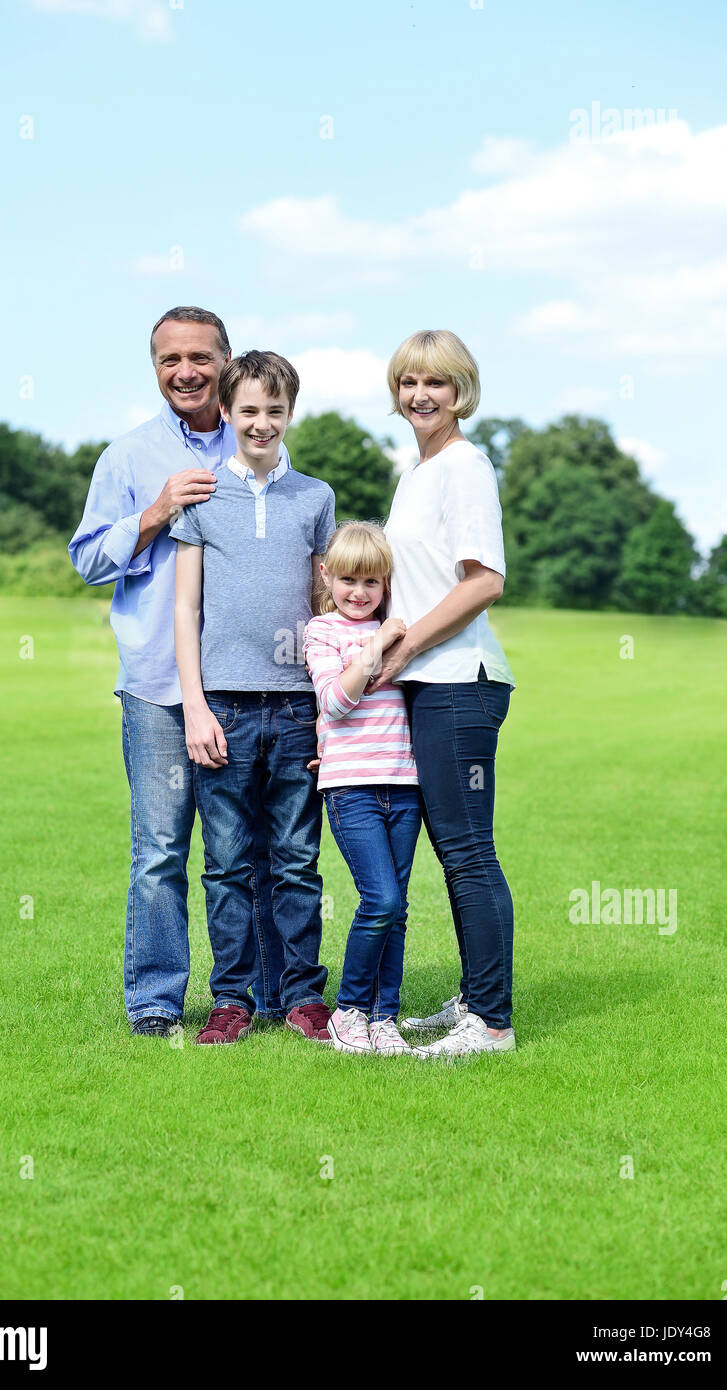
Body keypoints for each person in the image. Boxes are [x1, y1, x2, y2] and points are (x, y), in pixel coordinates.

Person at [68, 307, 286, 1036]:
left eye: (200, 357)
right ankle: (156, 1001)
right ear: (154, 368)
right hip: (159, 686)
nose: (186, 372)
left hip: (244, 684)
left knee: (248, 850)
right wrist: (156, 512)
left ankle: (251, 995)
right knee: (160, 850)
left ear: (226, 361)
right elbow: (88, 559)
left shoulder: (257, 437)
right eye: (170, 360)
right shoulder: (127, 457)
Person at [172, 350, 336, 1044]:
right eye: (248, 411)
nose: (261, 423)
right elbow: (185, 610)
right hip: (226, 710)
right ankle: (231, 1000)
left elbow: (329, 607)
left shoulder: (315, 498)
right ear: (229, 414)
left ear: (288, 413)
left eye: (274, 410)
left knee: (298, 863)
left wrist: (330, 714)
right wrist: (195, 706)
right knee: (227, 865)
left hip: (298, 708)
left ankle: (301, 997)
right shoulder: (205, 495)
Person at [374, 329, 517, 1058]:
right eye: (408, 383)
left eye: (436, 382)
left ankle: (489, 1022)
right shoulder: (417, 473)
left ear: (461, 390)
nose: (420, 395)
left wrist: (402, 647)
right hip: (427, 681)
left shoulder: (464, 465)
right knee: (452, 850)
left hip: (459, 682)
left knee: (466, 852)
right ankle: (475, 995)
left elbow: (483, 580)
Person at [304, 522, 421, 1057]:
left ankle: (384, 1016)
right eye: (349, 579)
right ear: (328, 577)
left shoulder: (402, 630)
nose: (359, 592)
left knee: (396, 909)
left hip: (404, 784)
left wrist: (392, 635)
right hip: (350, 787)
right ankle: (348, 1011)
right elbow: (335, 702)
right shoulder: (322, 632)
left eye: (371, 583)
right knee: (381, 900)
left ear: (386, 584)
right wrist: (378, 641)